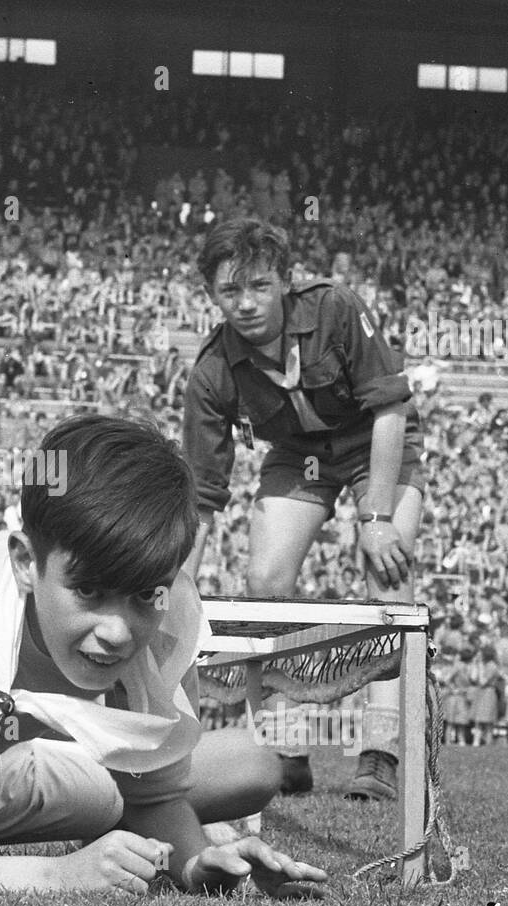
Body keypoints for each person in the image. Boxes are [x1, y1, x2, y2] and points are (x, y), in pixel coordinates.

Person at [0, 415, 327, 897]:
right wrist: (57, 875)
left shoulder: (165, 614)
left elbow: (153, 797)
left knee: (255, 764)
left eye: (145, 593)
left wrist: (196, 862)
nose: (119, 632)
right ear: (26, 562)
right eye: (91, 591)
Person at [182, 217, 425, 801]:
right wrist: (178, 583)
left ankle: (381, 751)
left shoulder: (336, 308)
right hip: (299, 458)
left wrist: (374, 518)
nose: (245, 303)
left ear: (285, 282)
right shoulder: (212, 369)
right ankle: (285, 749)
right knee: (264, 580)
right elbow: (202, 497)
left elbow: (390, 409)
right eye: (229, 292)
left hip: (376, 445)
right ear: (212, 296)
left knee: (386, 570)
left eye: (259, 286)